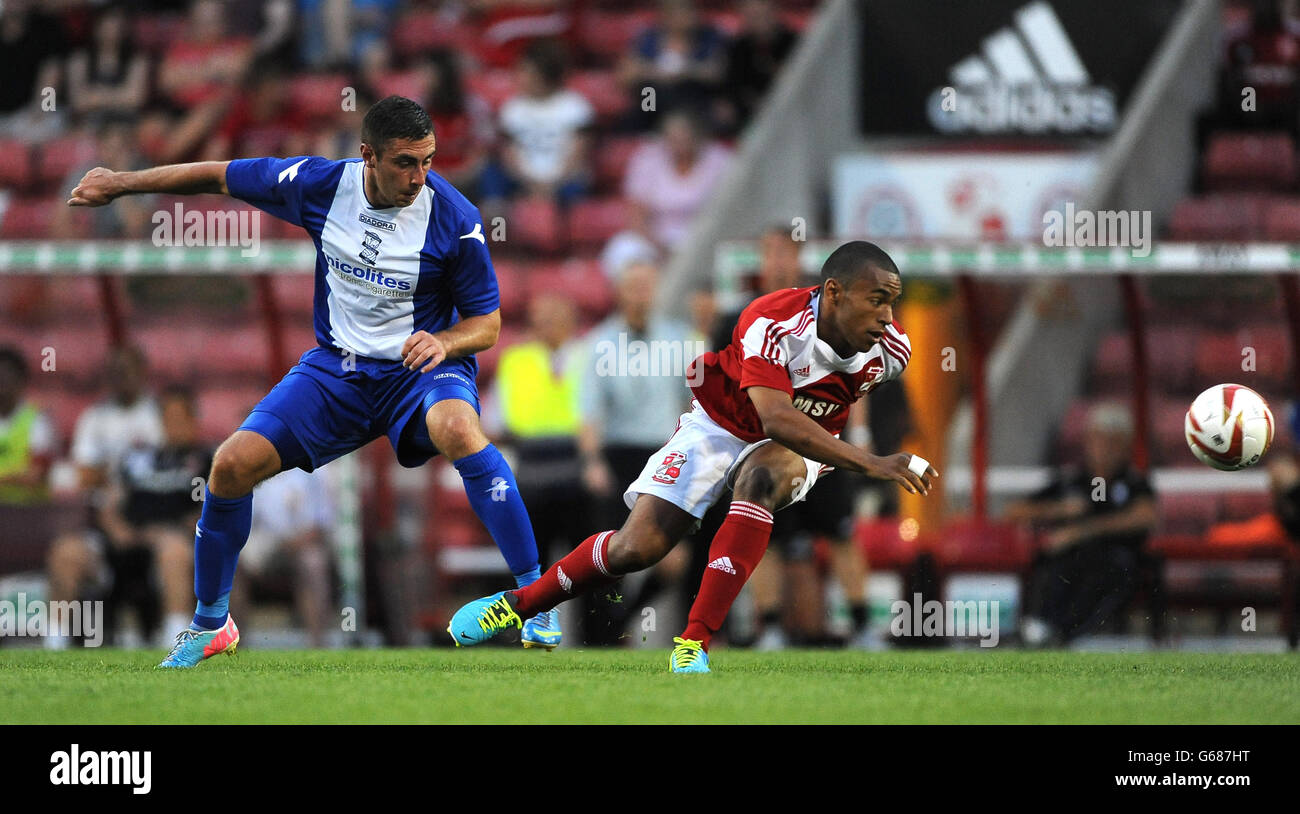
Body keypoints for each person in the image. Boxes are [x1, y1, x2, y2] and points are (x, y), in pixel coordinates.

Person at [68, 94, 557, 667]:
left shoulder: (456, 218)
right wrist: (122, 183)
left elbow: (489, 323)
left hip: (421, 370)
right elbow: (218, 177)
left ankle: (537, 601)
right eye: (405, 162)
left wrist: (444, 341)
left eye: (428, 160)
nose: (420, 176)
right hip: (338, 372)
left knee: (458, 426)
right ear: (367, 155)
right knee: (229, 466)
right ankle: (210, 625)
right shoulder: (318, 184)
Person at [449, 241, 938, 673]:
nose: (887, 317)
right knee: (634, 549)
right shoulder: (772, 320)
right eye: (877, 301)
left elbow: (793, 431)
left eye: (892, 303)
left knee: (762, 476)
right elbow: (776, 417)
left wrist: (860, 447)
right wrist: (874, 462)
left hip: (798, 445)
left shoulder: (892, 352)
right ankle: (517, 605)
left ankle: (694, 643)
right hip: (718, 427)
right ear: (834, 292)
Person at [577, 261, 698, 642]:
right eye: (633, 287)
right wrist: (592, 460)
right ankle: (603, 634)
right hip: (618, 456)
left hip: (664, 455)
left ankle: (619, 623)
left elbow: (691, 404)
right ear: (620, 292)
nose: (641, 294)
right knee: (612, 554)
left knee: (675, 559)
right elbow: (589, 411)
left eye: (647, 286)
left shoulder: (681, 340)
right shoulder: (599, 343)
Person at [1007, 403, 1158, 646]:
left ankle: (1065, 635)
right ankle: (1039, 628)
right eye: (1098, 438)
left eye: (1112, 441)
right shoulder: (1072, 481)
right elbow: (1014, 511)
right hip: (1067, 560)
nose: (1104, 448)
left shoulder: (1132, 483)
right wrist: (1058, 509)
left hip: (1115, 561)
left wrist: (1082, 531)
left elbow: (1144, 516)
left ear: (1124, 445)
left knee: (1105, 567)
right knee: (1052, 563)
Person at [487, 293, 584, 648]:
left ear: (571, 323)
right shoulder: (516, 361)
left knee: (590, 566)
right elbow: (495, 419)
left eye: (555, 318)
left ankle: (600, 640)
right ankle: (521, 638)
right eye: (540, 319)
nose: (547, 327)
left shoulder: (588, 358)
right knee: (528, 563)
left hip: (580, 471)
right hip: (531, 472)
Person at [0, 346, 54, 506]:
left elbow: (35, 475)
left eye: (7, 376)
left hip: (27, 512)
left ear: (21, 380)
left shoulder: (38, 421)